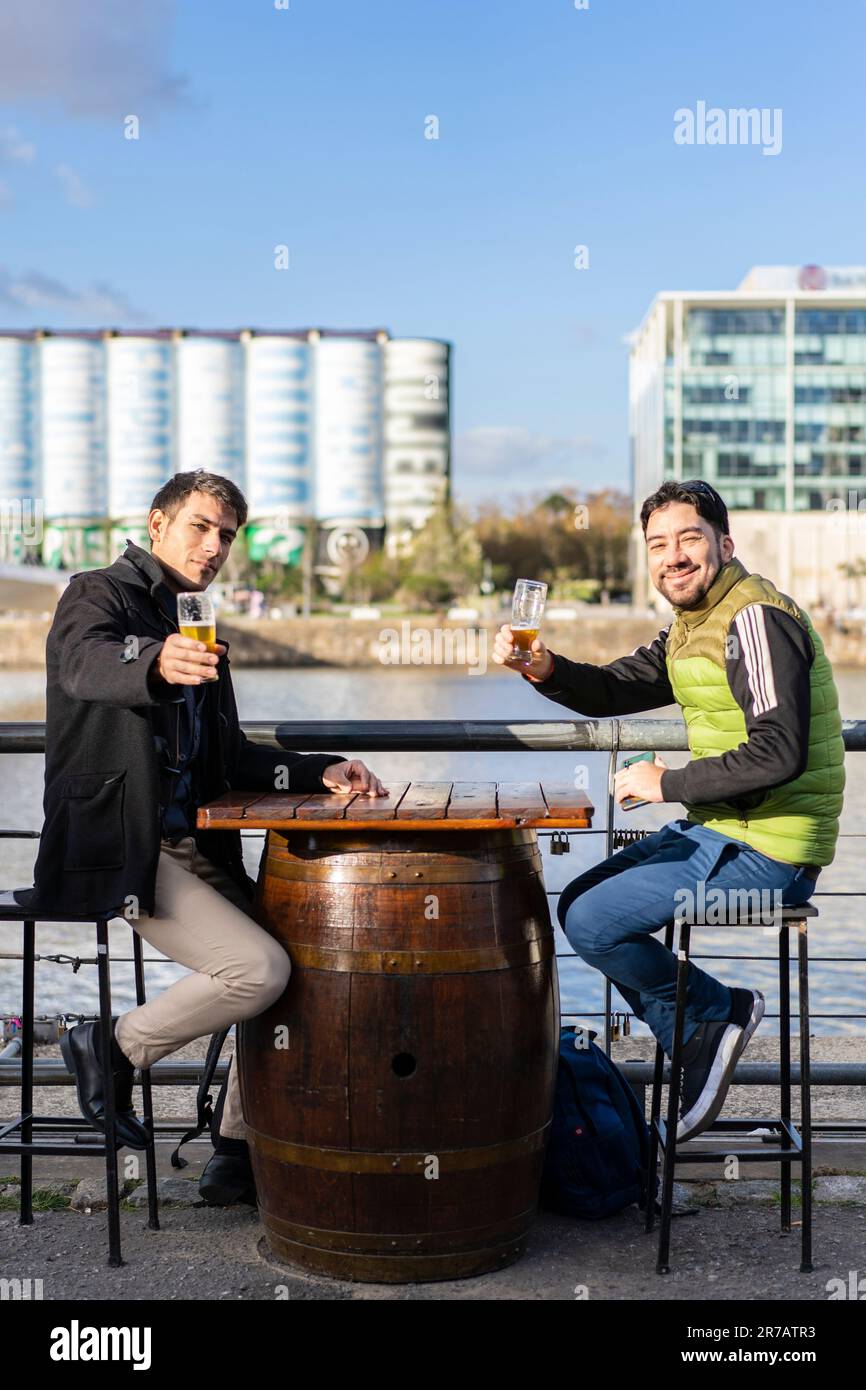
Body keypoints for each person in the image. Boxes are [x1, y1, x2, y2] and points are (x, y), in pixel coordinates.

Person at [14, 470, 387, 1203]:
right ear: (157, 524)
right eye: (199, 526)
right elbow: (88, 665)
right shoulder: (97, 594)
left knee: (304, 968)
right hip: (124, 846)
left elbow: (232, 759)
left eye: (226, 535)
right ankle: (111, 1046)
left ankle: (236, 1146)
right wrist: (154, 660)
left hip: (197, 848)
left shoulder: (199, 621)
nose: (214, 546)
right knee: (257, 971)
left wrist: (322, 772)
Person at [493, 479, 844, 1141]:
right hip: (726, 829)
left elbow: (780, 752)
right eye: (658, 544)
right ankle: (698, 1033)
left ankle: (712, 1019)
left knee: (596, 921)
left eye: (689, 539)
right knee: (578, 902)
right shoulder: (694, 628)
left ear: (725, 544)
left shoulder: (754, 620)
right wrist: (542, 666)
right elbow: (610, 689)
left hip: (774, 853)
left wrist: (667, 781)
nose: (673, 556)